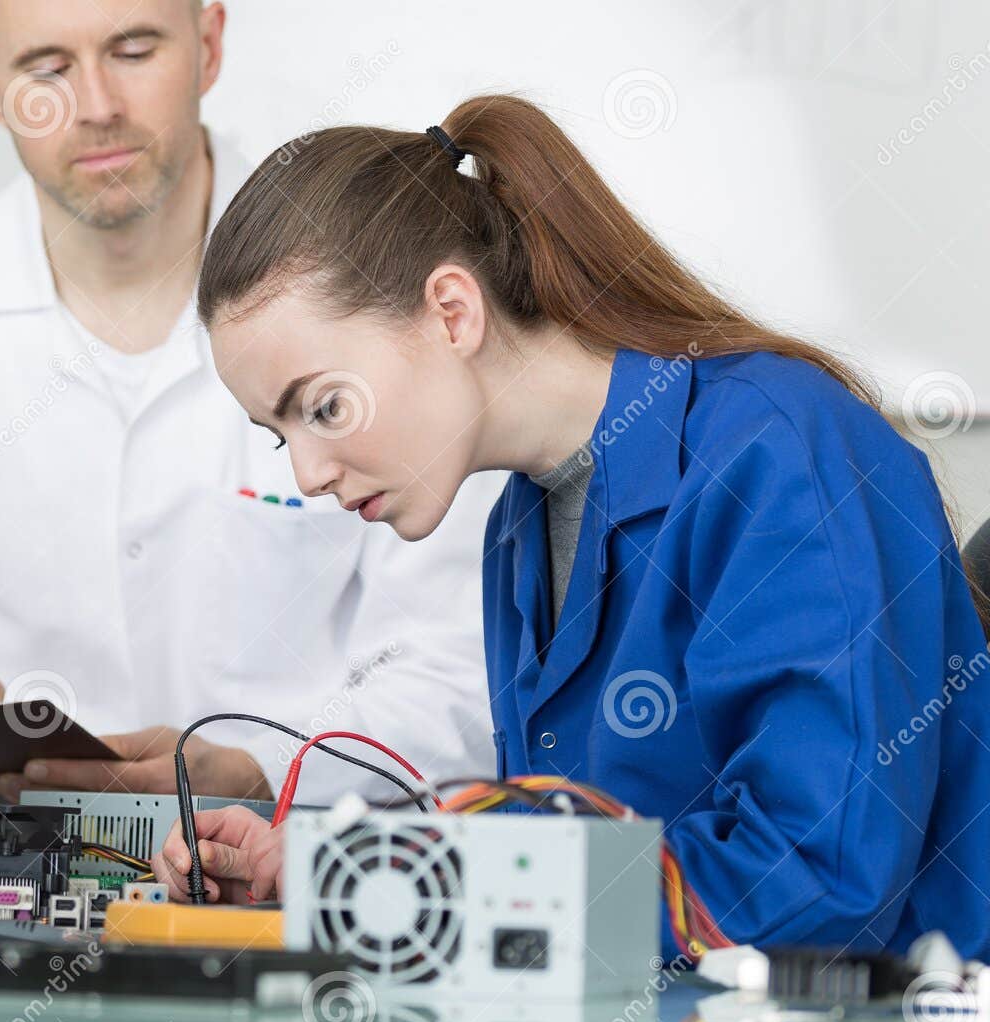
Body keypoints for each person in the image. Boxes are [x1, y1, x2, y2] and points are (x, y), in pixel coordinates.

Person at [152, 93, 990, 960]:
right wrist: (343, 869)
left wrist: (424, 881)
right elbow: (572, 845)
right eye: (278, 433)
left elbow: (813, 876)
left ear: (452, 310)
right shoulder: (520, 528)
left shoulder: (780, 454)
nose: (307, 473)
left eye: (323, 406)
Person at [0, 0, 501, 806]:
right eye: (47, 69)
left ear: (209, 44)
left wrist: (253, 768)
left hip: (299, 872)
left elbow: (455, 670)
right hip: (0, 885)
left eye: (134, 49)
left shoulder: (370, 284)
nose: (97, 106)